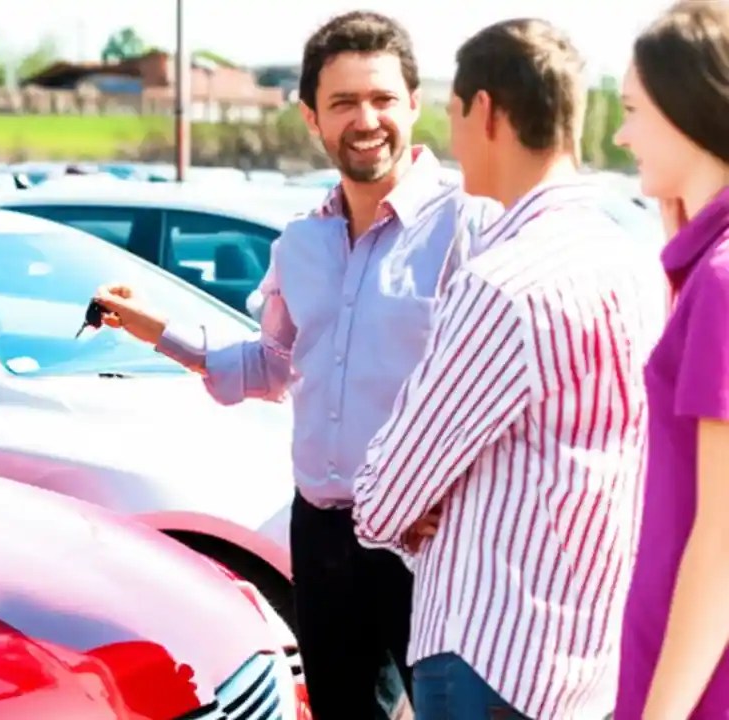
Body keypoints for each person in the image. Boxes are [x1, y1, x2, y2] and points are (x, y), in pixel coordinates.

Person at [91, 11, 500, 718]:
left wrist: (463, 494)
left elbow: (505, 386)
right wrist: (155, 329)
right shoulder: (300, 244)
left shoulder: (469, 227)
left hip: (428, 545)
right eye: (343, 103)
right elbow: (275, 364)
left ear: (413, 105)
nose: (365, 119)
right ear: (311, 116)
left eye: (381, 99)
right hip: (321, 537)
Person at [348, 18, 669, 720]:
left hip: (491, 655)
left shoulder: (503, 283)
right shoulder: (635, 267)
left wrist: (410, 509)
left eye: (454, 113)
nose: (451, 135)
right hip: (590, 649)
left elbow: (381, 499)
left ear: (485, 111)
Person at [611, 2, 729, 718]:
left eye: (631, 109)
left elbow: (722, 545)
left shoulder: (721, 279)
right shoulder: (707, 270)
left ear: (689, 109)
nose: (621, 133)